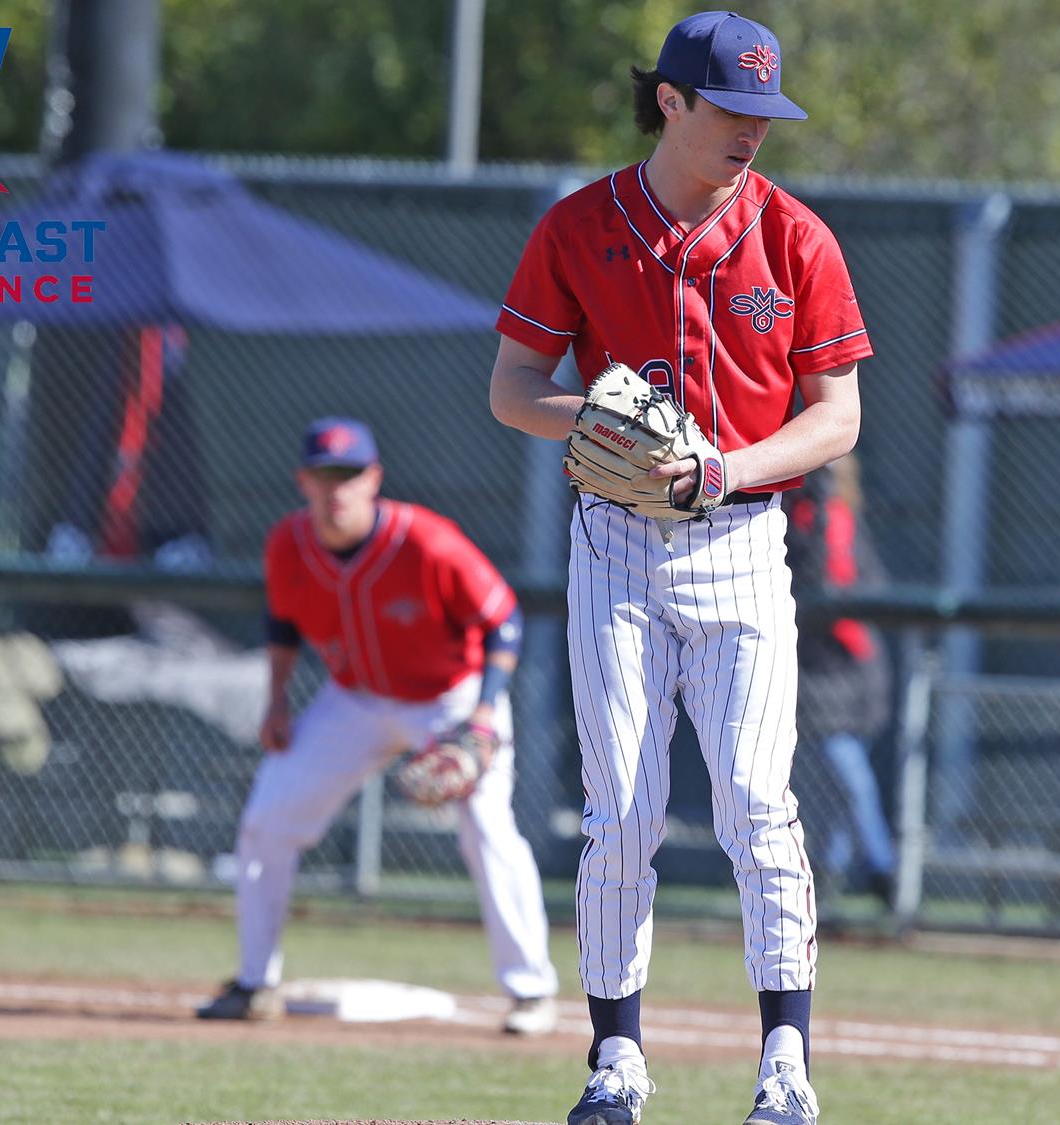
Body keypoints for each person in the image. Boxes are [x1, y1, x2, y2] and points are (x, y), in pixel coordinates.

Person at [488, 12, 871, 1124]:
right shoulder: (577, 225)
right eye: (732, 109)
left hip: (743, 541)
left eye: (766, 113)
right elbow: (514, 389)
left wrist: (723, 465)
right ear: (670, 101)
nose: (754, 130)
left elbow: (836, 417)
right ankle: (615, 1062)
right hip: (614, 539)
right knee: (620, 808)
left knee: (757, 805)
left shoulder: (794, 236)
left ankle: (786, 1066)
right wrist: (606, 435)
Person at [195, 417, 559, 1036]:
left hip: (450, 699)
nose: (336, 487)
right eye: (323, 474)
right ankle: (255, 982)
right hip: (354, 701)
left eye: (349, 474)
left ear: (374, 478)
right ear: (302, 481)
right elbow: (282, 625)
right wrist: (278, 701)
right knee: (266, 822)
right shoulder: (288, 543)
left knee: (487, 828)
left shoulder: (427, 542)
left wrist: (484, 711)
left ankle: (532, 991)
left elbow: (503, 621)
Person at [784, 454, 898, 907]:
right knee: (850, 779)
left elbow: (870, 587)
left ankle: (829, 877)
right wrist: (813, 506)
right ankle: (882, 869)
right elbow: (810, 579)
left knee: (843, 790)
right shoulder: (795, 522)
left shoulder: (850, 522)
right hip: (818, 671)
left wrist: (831, 508)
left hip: (862, 672)